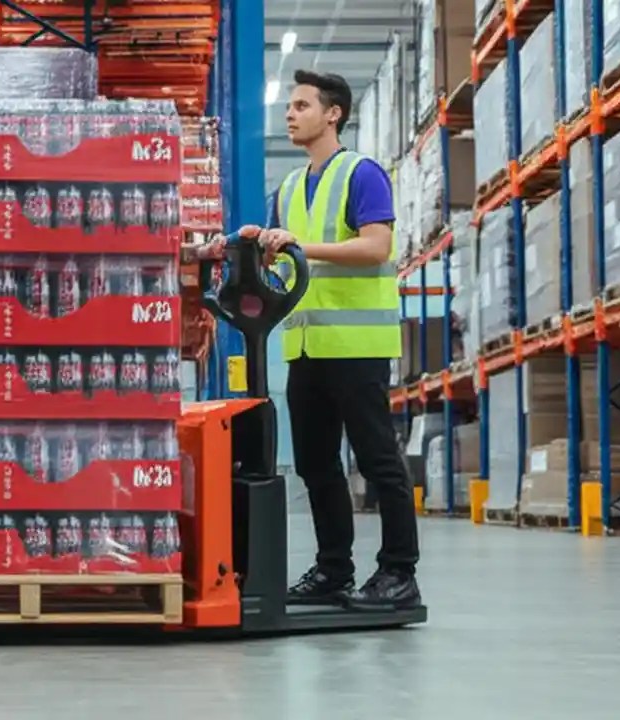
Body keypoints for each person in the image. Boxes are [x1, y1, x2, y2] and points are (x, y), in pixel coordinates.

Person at [193, 69, 420, 612]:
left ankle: (398, 573)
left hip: (357, 347)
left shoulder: (361, 173)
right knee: (317, 466)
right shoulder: (291, 188)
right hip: (304, 348)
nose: (290, 114)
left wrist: (305, 246)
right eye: (289, 106)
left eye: (300, 105)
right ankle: (334, 570)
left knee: (377, 460)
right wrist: (253, 244)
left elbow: (377, 247)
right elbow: (285, 258)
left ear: (332, 113)